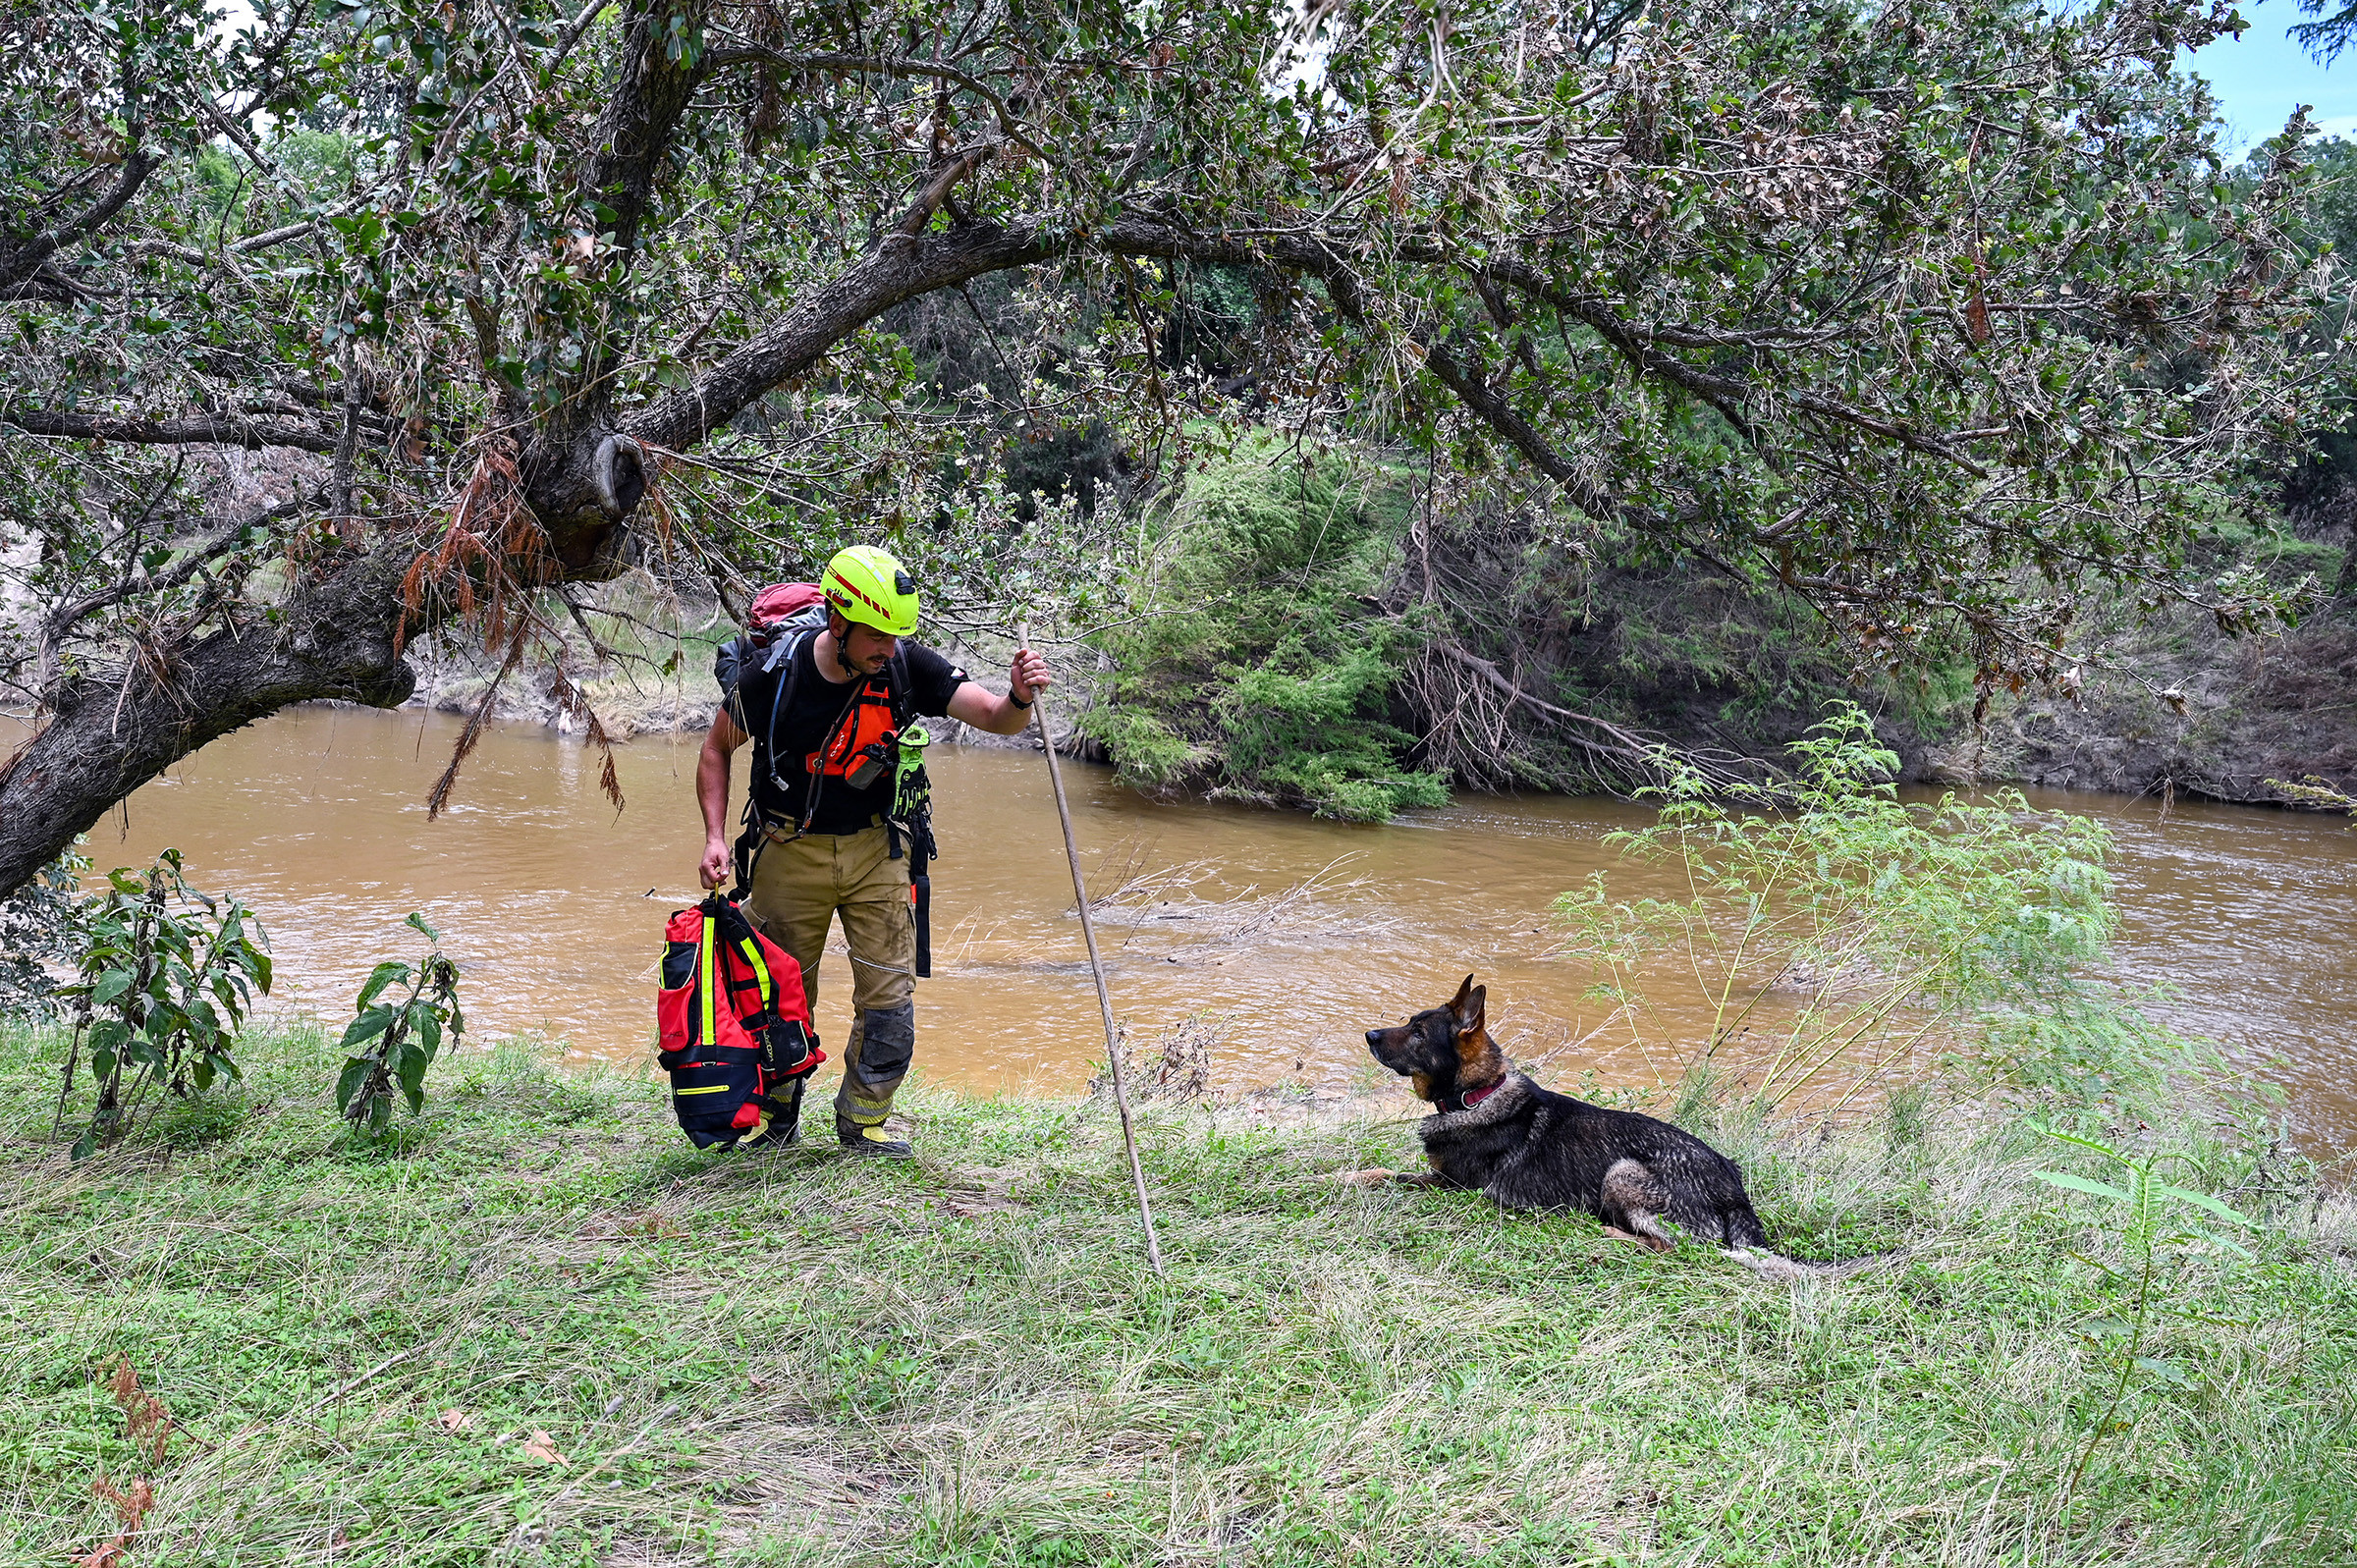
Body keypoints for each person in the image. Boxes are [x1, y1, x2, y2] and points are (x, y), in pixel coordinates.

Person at [696, 545, 1049, 1157]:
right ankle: (776, 1119)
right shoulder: (772, 678)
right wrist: (714, 836)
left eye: (896, 635)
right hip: (788, 848)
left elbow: (993, 716)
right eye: (878, 636)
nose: (890, 647)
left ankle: (862, 1123)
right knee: (779, 995)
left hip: (878, 850)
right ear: (839, 623)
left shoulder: (907, 667)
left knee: (889, 1002)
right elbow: (714, 751)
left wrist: (1017, 697)